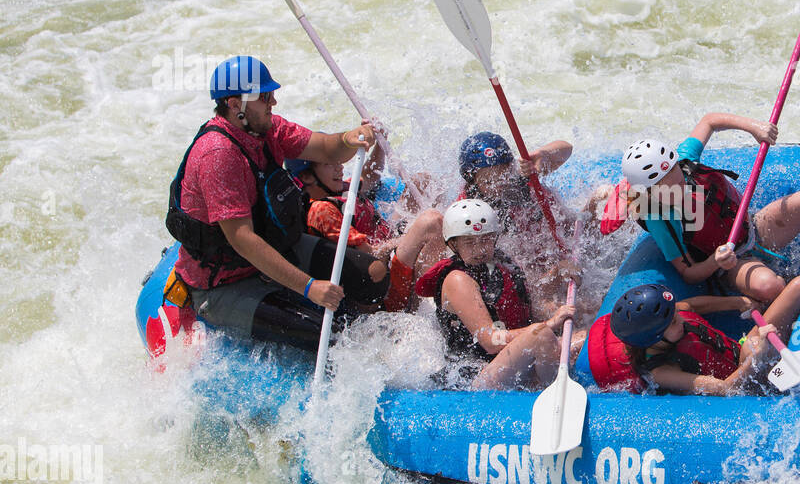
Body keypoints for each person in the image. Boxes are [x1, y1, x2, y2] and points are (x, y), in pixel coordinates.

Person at [165, 55, 387, 351]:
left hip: (278, 248)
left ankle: (361, 329)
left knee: (374, 277)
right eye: (265, 96)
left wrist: (349, 138)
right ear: (235, 105)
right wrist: (310, 288)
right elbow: (242, 239)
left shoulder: (268, 129)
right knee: (327, 335)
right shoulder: (217, 155)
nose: (273, 102)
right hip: (224, 284)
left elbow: (324, 147)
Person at [621, 113, 800, 305]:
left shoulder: (686, 161)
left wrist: (754, 127)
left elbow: (710, 120)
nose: (679, 190)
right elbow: (688, 273)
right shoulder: (660, 220)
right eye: (668, 190)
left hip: (753, 227)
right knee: (769, 287)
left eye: (679, 181)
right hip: (730, 262)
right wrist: (715, 261)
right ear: (647, 193)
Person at [414, 199, 576, 390]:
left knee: (581, 336)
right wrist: (549, 324)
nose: (479, 249)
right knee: (541, 337)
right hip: (472, 378)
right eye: (469, 242)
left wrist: (558, 274)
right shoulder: (457, 280)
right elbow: (490, 340)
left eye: (485, 239)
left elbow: (528, 302)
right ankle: (554, 392)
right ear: (453, 244)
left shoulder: (499, 264)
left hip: (504, 362)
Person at [587, 277, 800, 396]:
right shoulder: (662, 372)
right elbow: (725, 389)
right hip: (746, 377)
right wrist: (756, 359)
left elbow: (691, 306)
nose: (682, 319)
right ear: (655, 339)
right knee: (755, 344)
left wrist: (735, 303)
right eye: (675, 321)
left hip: (742, 347)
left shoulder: (671, 317)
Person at [288, 157, 444, 313]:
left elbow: (370, 176)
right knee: (432, 222)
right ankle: (420, 307)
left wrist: (378, 142)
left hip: (390, 246)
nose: (340, 167)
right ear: (307, 177)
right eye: (329, 163)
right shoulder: (322, 211)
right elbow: (372, 257)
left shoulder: (338, 188)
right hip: (385, 287)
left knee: (423, 181)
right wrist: (407, 238)